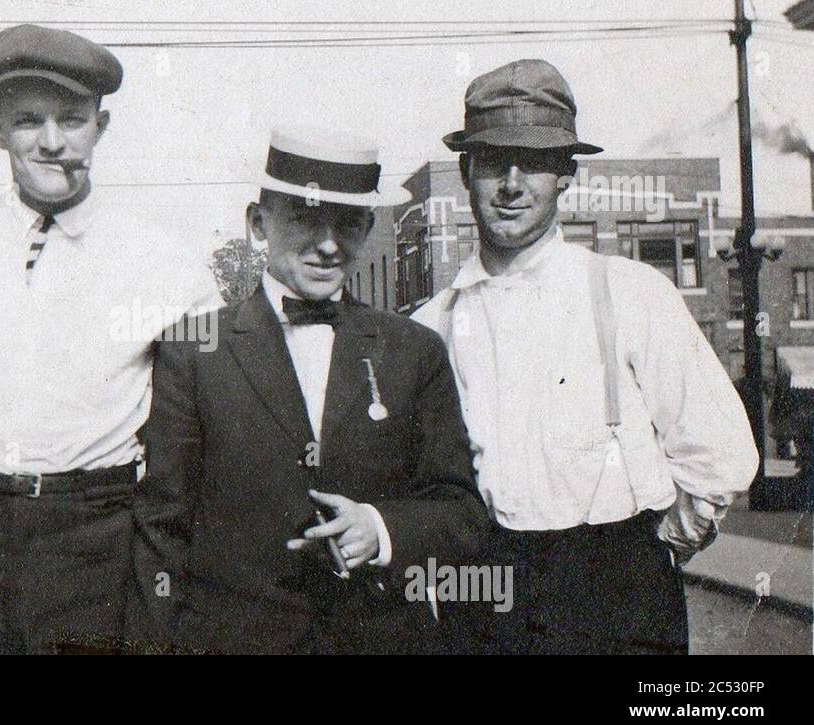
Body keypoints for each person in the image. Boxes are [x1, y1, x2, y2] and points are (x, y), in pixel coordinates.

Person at [0, 24, 222, 654]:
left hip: (90, 535)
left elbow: (202, 407)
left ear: (101, 126)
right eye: (28, 120)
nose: (51, 142)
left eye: (72, 119)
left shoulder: (162, 260)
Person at [412, 59, 759, 654]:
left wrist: (655, 550)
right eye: (494, 161)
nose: (513, 183)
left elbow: (721, 452)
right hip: (486, 592)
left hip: (617, 592)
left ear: (566, 174)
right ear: (467, 171)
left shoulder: (629, 292)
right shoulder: (431, 326)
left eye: (536, 162)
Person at [131, 128, 489, 653]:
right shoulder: (192, 352)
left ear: (368, 227)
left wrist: (381, 527)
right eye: (304, 216)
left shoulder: (414, 351)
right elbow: (162, 529)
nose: (328, 244)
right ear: (258, 223)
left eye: (347, 222)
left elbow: (460, 511)